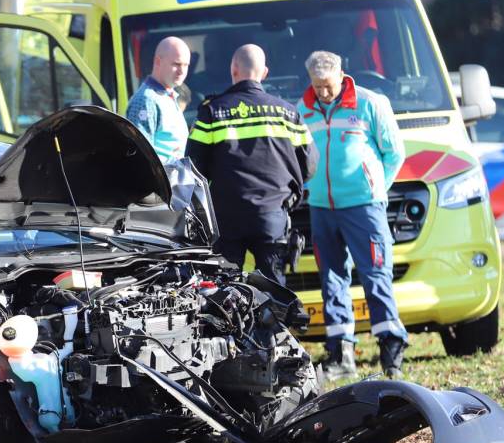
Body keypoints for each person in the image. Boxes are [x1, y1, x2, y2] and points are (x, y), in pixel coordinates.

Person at [300, 50, 407, 379]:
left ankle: (391, 351)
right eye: (317, 86)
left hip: (364, 206)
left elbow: (394, 153)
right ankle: (340, 353)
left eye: (328, 86)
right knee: (331, 280)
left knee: (376, 275)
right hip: (322, 207)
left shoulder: (371, 103)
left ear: (342, 75)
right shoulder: (303, 108)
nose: (323, 93)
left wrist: (375, 188)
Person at [186, 44, 316, 285]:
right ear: (264, 72)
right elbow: (309, 166)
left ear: (233, 69)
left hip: (227, 218)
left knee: (225, 292)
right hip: (272, 216)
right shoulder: (288, 113)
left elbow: (194, 166)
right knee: (274, 292)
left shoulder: (212, 112)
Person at [125, 36, 191, 162]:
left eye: (186, 65)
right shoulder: (147, 100)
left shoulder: (168, 95)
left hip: (174, 180)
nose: (182, 71)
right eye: (176, 64)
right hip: (159, 181)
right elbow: (139, 158)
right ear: (158, 61)